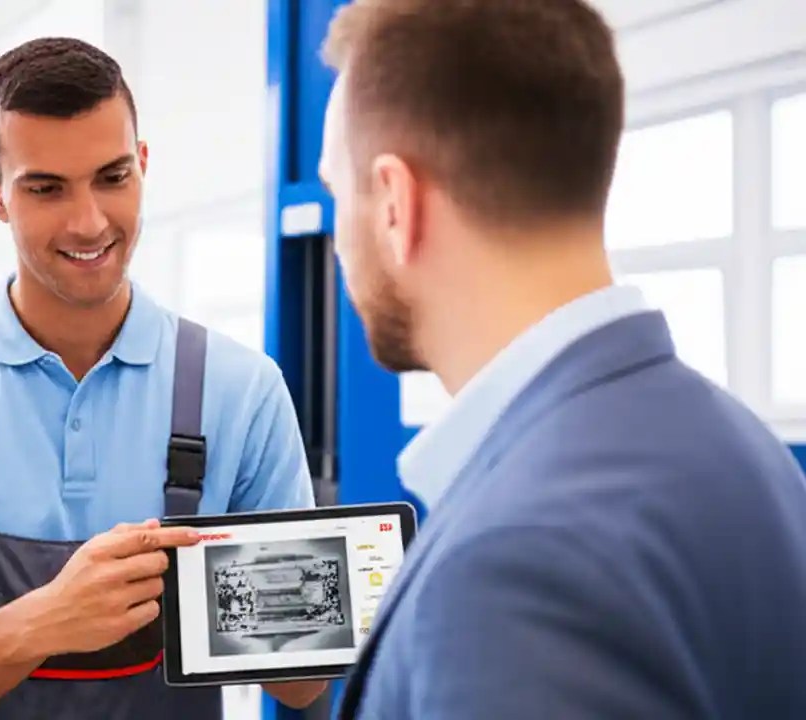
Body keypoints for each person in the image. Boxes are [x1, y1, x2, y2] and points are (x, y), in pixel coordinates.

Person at [316, 1, 806, 718]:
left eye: (337, 193)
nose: (337, 241)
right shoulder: (750, 455)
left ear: (394, 202)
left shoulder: (511, 569)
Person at [0, 37, 327, 720]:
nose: (89, 221)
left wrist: (310, 604)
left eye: (112, 178)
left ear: (143, 166)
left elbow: (301, 685)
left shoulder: (241, 390)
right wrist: (50, 618)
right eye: (46, 188)